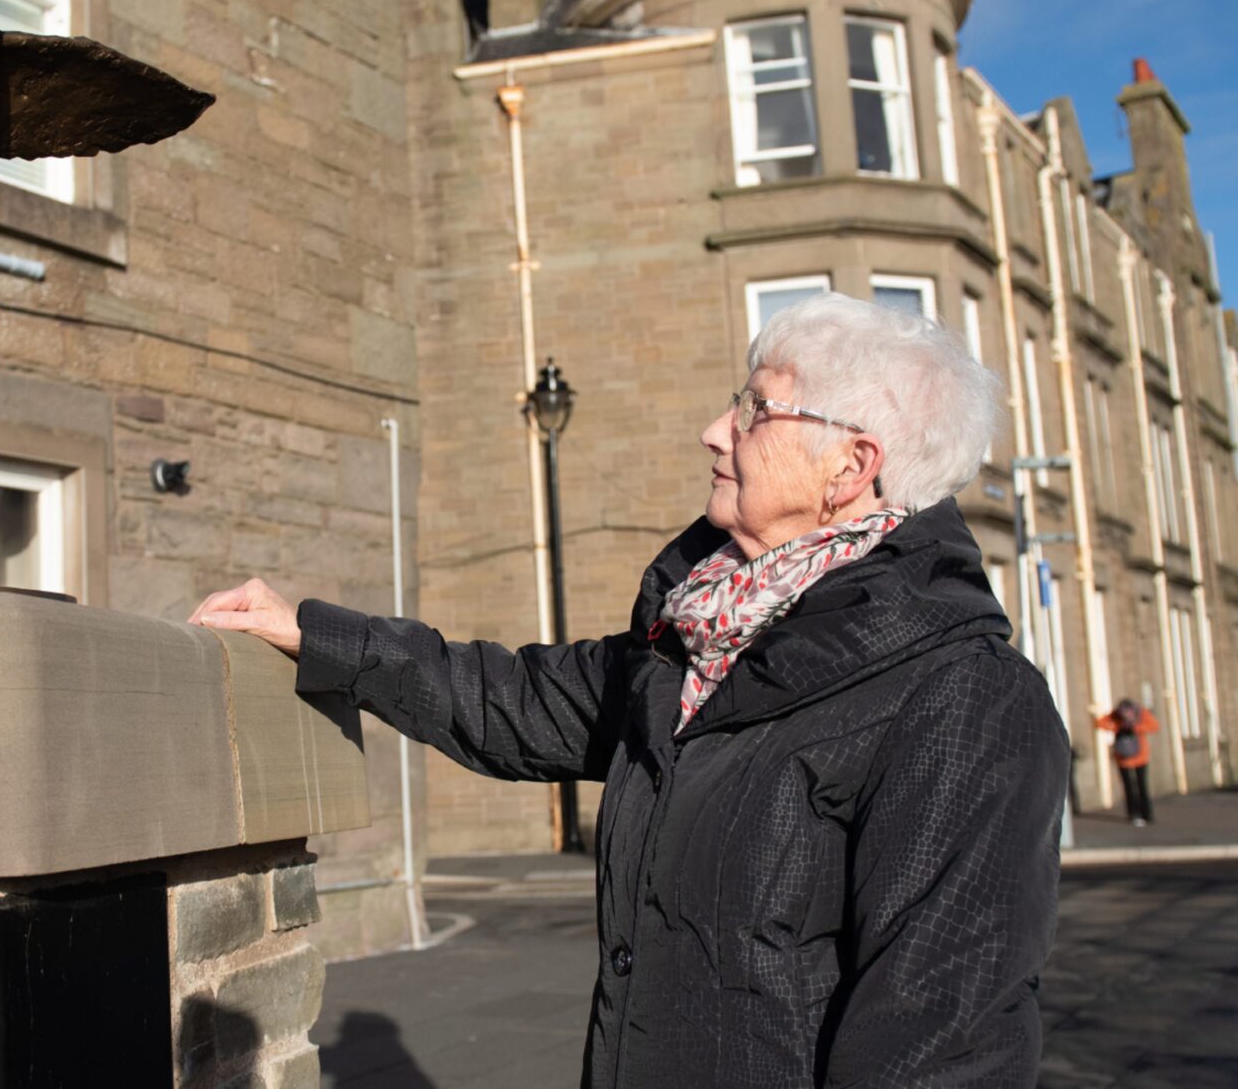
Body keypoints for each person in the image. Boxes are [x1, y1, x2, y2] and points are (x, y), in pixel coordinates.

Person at [192, 294, 1070, 1089]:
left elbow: (943, 1045)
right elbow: (516, 700)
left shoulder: (965, 702)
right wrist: (322, 636)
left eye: (757, 409)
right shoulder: (697, 640)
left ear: (851, 466)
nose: (714, 430)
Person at [1096, 698, 1159, 825]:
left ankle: (1146, 813)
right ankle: (1133, 814)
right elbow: (1100, 723)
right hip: (1123, 757)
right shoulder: (1116, 717)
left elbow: (1154, 726)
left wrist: (1136, 727)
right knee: (1128, 786)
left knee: (1141, 785)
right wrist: (1116, 727)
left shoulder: (1141, 714)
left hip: (1140, 756)